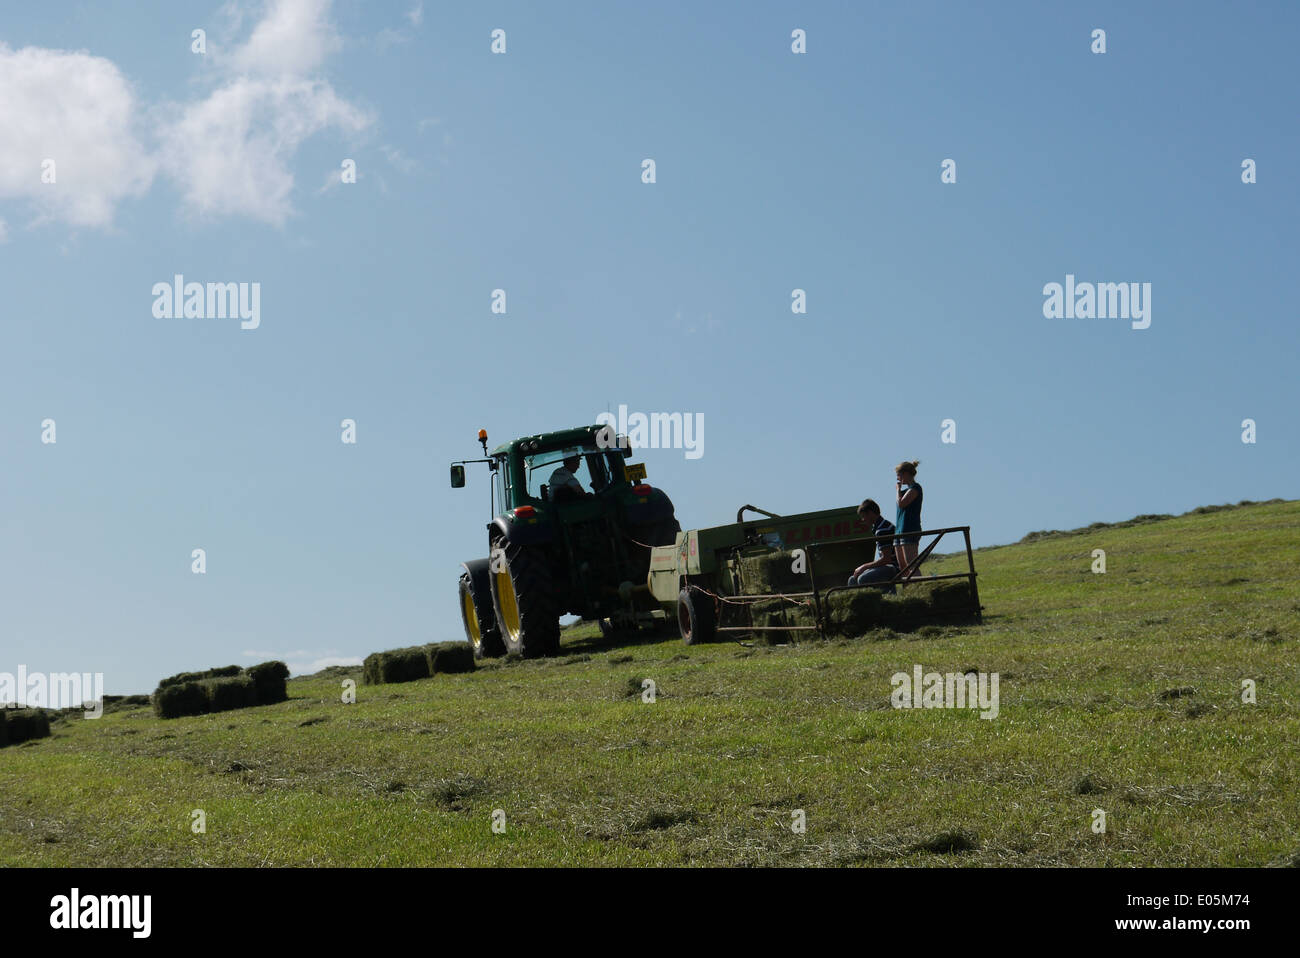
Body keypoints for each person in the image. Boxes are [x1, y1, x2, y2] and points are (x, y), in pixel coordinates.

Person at [847, 499, 898, 593]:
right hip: (887, 565)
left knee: (863, 579)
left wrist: (864, 567)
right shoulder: (880, 527)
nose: (863, 520)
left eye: (863, 516)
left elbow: (887, 559)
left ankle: (886, 600)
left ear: (870, 513)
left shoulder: (883, 530)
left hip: (893, 567)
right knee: (853, 579)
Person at [893, 460, 923, 579]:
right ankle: (909, 592)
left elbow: (901, 503)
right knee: (903, 567)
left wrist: (897, 490)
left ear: (905, 474)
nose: (898, 479)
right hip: (899, 531)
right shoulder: (905, 491)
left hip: (910, 529)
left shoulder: (915, 488)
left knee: (911, 565)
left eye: (899, 475)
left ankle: (921, 588)